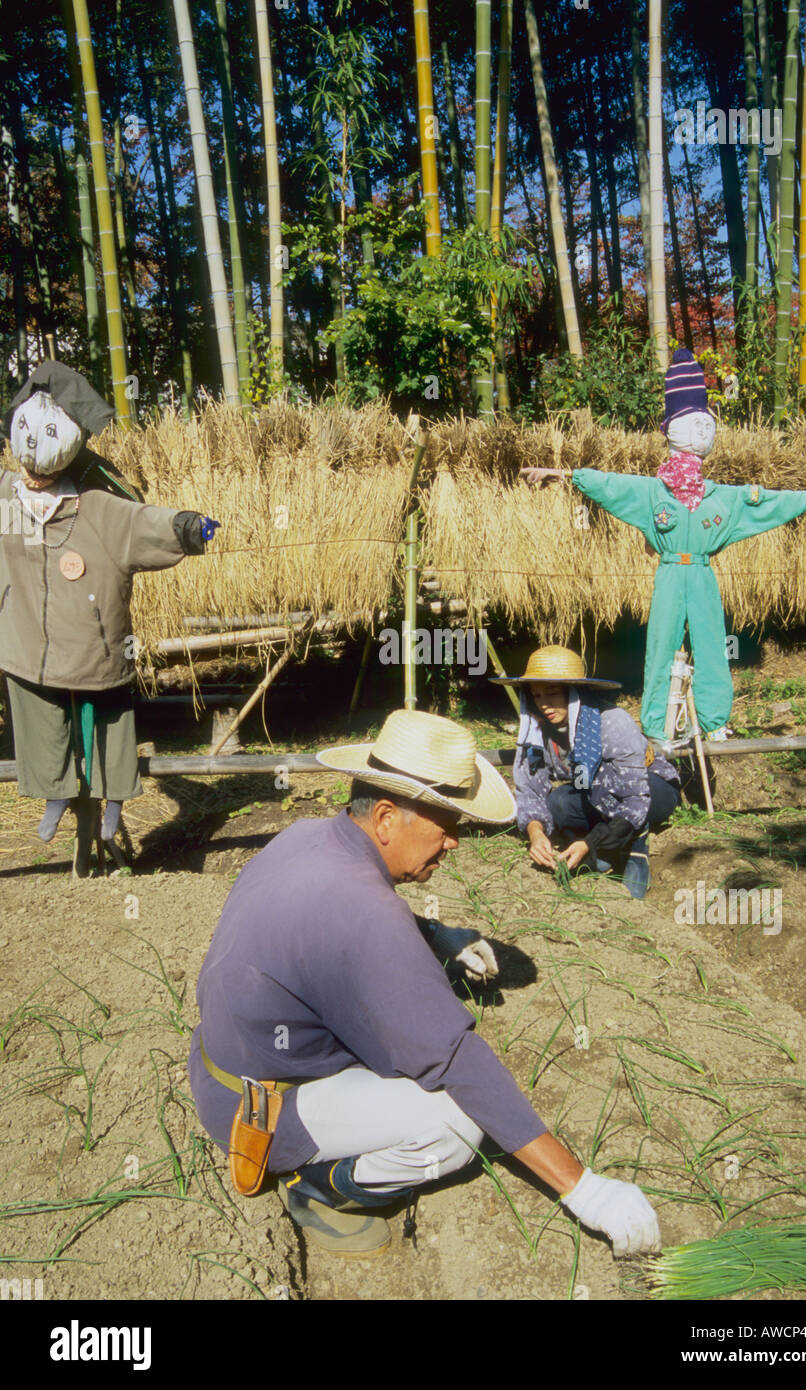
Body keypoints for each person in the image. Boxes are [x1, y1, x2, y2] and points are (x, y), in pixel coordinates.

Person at [189, 709, 661, 1259]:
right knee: (456, 1124)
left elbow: (326, 933)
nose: (454, 842)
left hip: (218, 1064)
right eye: (447, 824)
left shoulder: (307, 837)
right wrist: (583, 1188)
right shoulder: (366, 913)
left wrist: (435, 934)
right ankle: (317, 1187)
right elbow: (455, 1061)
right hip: (261, 1110)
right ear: (386, 818)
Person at [521, 349, 806, 740]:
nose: (700, 432)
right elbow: (610, 483)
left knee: (712, 645)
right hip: (671, 573)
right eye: (692, 424)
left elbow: (764, 499)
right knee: (661, 645)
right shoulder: (652, 492)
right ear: (673, 428)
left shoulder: (721, 496)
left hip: (703, 573)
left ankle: (714, 720)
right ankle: (656, 725)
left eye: (703, 424)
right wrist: (561, 474)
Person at [0, 361, 219, 869]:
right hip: (28, 639)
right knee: (37, 714)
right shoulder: (6, 500)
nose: (34, 476)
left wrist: (188, 528)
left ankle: (113, 798)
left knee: (112, 719)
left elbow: (145, 523)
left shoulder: (98, 504)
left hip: (95, 642)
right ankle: (55, 791)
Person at [492, 645, 680, 898]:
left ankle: (633, 845)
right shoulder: (536, 732)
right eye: (536, 695)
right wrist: (535, 833)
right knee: (558, 802)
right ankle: (603, 845)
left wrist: (590, 842)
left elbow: (635, 798)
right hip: (596, 795)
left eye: (552, 693)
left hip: (651, 790)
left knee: (606, 791)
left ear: (574, 693)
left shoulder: (612, 721)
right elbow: (530, 789)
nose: (544, 704)